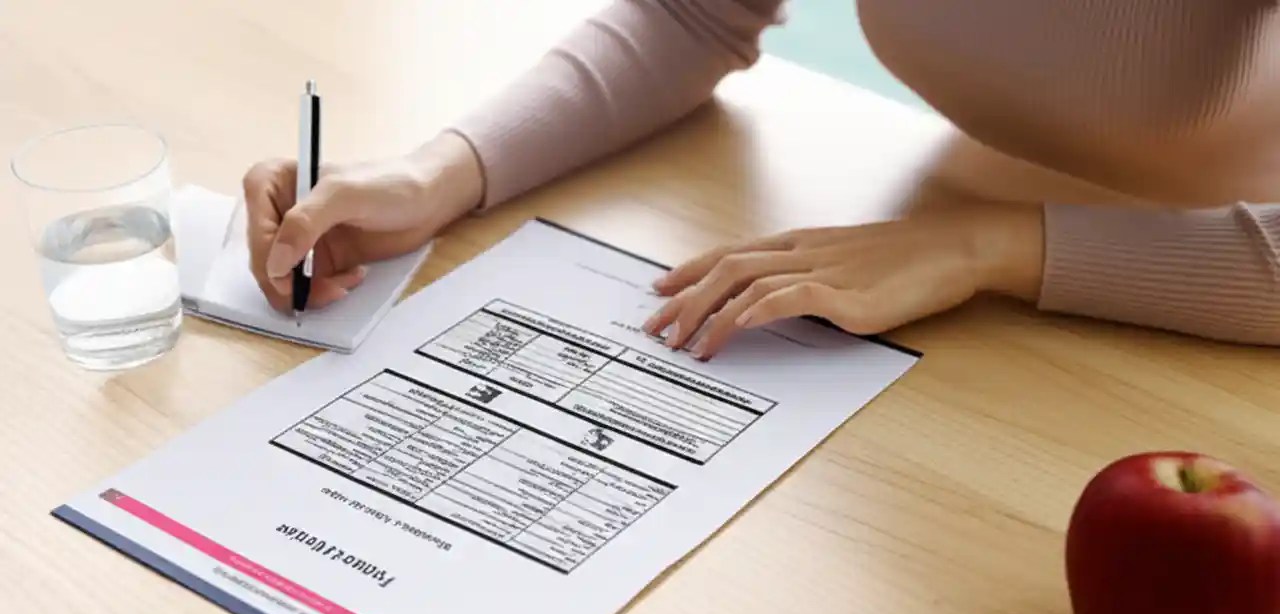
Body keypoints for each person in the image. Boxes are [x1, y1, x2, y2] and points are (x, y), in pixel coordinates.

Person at [243, 0, 1280, 360]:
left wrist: (985, 245)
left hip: (1209, 308)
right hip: (951, 232)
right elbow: (695, 15)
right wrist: (440, 174)